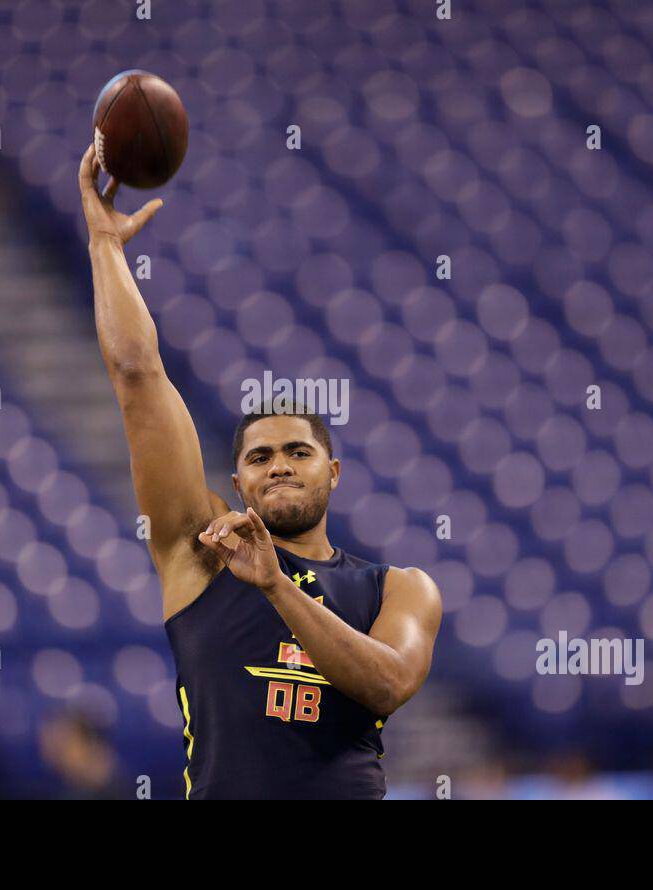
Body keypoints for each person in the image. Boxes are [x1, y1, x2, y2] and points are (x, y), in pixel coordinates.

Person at [78, 144, 442, 799]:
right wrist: (106, 244)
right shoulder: (201, 551)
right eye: (259, 458)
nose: (279, 467)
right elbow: (137, 374)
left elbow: (387, 684)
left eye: (297, 454)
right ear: (238, 484)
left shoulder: (400, 589)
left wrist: (278, 587)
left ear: (333, 473)